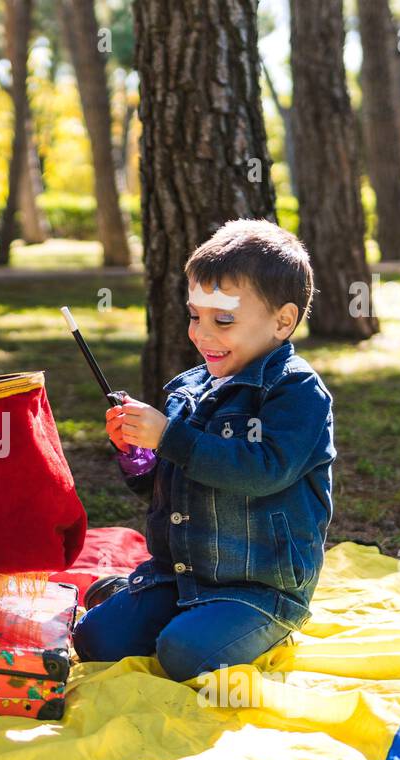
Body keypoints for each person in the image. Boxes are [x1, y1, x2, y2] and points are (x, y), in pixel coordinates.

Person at [73, 219, 336, 682]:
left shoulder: (296, 392)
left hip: (258, 586)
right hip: (180, 573)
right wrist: (139, 453)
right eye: (196, 315)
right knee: (95, 641)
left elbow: (262, 471)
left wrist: (169, 437)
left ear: (282, 320)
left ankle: (268, 627)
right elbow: (164, 487)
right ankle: (135, 598)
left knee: (184, 656)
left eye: (224, 320)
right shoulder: (188, 390)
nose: (202, 333)